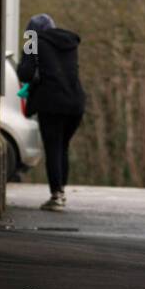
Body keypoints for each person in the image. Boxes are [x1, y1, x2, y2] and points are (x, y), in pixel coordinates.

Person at [17, 13, 86, 211]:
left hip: (51, 102)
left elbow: (25, 73)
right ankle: (61, 191)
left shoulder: (33, 42)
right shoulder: (70, 43)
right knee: (62, 146)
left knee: (53, 147)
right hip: (75, 103)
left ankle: (56, 195)